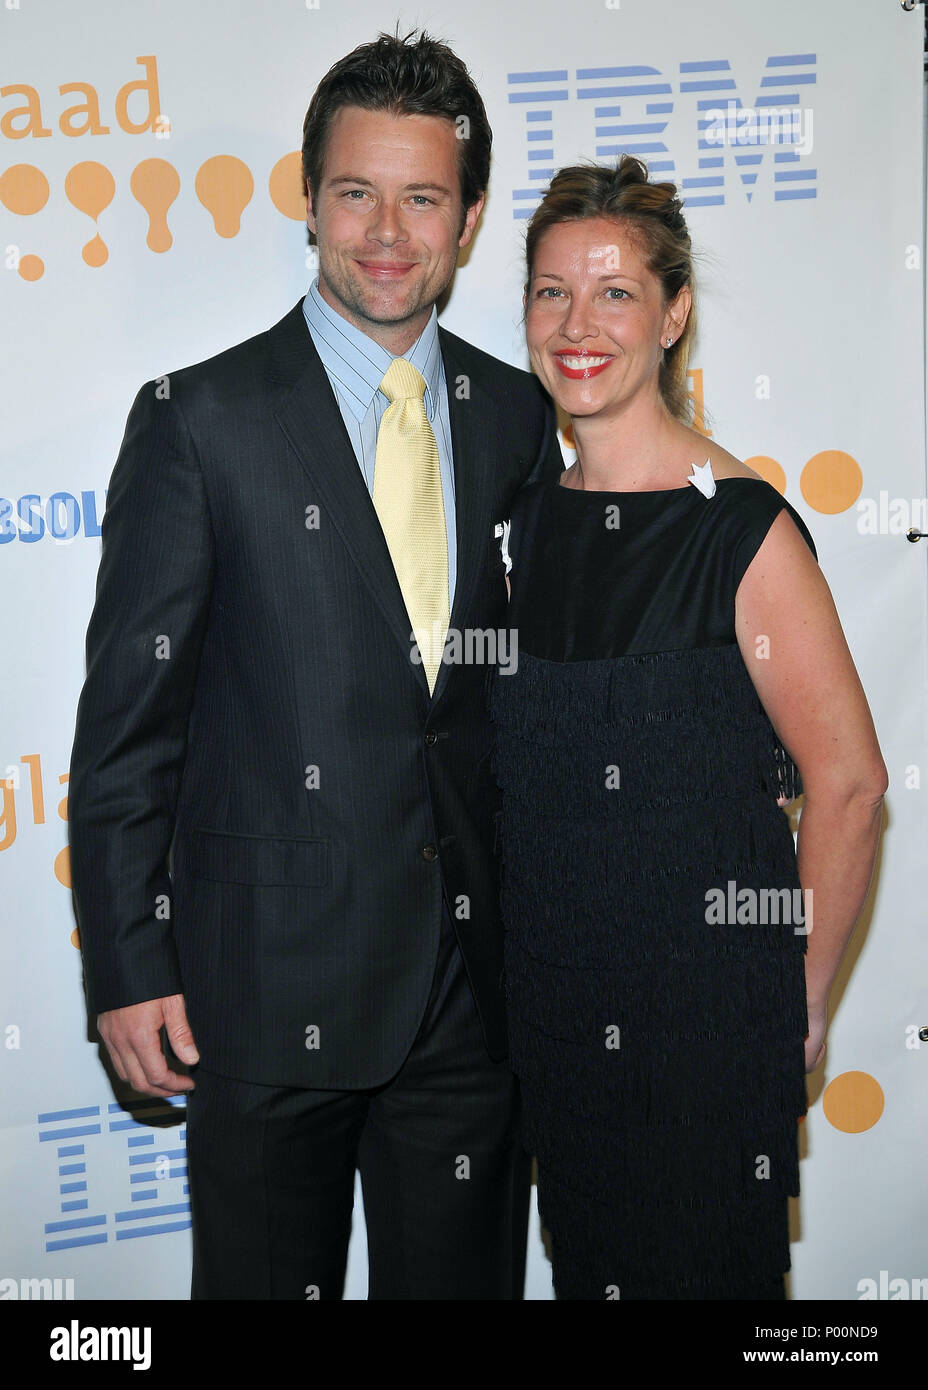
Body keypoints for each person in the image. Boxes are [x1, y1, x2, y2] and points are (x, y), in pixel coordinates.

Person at [68, 30, 563, 1300]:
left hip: (470, 999)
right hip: (260, 984)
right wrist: (130, 967)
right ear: (307, 198)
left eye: (422, 198)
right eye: (356, 192)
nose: (387, 230)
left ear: (465, 219)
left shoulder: (515, 418)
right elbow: (130, 725)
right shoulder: (199, 421)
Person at [488, 154, 887, 1300]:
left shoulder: (741, 531)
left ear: (673, 314)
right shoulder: (521, 531)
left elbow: (850, 785)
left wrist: (794, 1000)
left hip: (710, 1028)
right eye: (551, 290)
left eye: (615, 292)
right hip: (562, 1025)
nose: (578, 322)